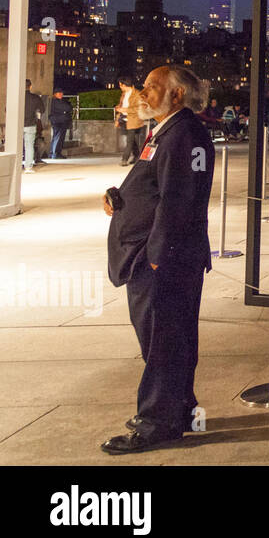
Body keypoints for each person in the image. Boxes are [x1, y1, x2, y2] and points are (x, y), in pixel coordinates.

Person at [101, 64, 214, 455]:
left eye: (151, 87)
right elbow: (155, 186)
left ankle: (157, 422)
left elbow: (179, 201)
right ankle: (178, 409)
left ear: (176, 95)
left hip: (164, 261)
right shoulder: (164, 132)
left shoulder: (184, 135)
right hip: (155, 257)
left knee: (164, 341)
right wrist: (122, 198)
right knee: (167, 339)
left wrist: (156, 258)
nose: (143, 94)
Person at [114, 76, 145, 166]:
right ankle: (137, 156)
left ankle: (124, 159)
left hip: (134, 120)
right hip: (124, 120)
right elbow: (121, 105)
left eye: (120, 85)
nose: (120, 87)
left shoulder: (137, 94)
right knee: (131, 140)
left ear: (125, 84)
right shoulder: (124, 94)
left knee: (129, 141)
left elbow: (138, 108)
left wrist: (125, 110)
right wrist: (118, 113)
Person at [22, 79, 43, 172]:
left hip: (17, 125)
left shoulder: (16, 96)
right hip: (30, 124)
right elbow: (42, 110)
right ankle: (28, 167)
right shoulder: (35, 98)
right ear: (30, 86)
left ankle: (15, 165)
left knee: (17, 146)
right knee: (29, 146)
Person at [47, 89, 73, 159]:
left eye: (62, 93)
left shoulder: (57, 101)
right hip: (58, 121)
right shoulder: (56, 101)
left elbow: (68, 108)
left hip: (59, 121)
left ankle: (54, 153)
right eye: (59, 93)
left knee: (57, 137)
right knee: (58, 137)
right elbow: (68, 108)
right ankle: (55, 153)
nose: (61, 94)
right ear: (55, 94)